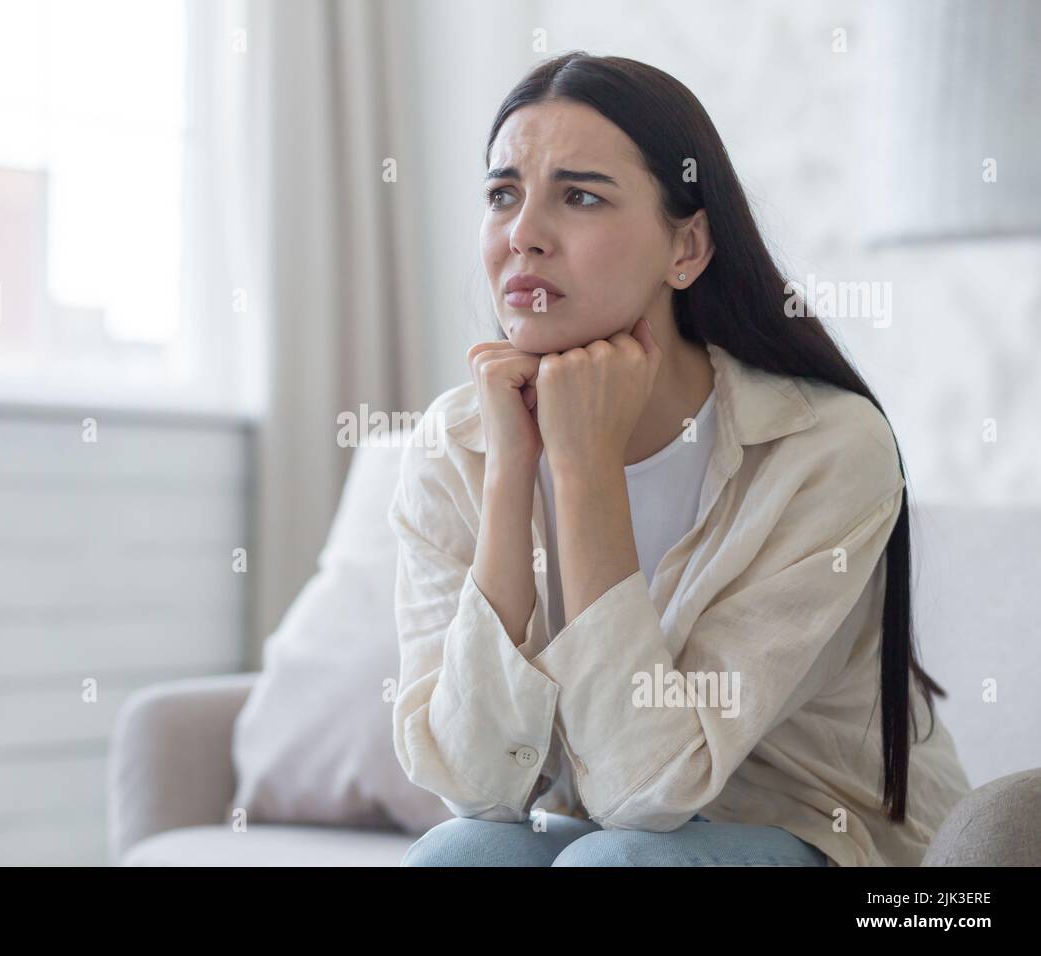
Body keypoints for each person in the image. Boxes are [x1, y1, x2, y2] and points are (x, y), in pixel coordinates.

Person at [389, 52, 971, 867]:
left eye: (580, 196)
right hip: (606, 832)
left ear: (687, 247)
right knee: (457, 853)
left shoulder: (825, 448)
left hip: (817, 837)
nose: (523, 234)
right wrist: (513, 467)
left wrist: (585, 470)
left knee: (619, 862)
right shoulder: (457, 445)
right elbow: (478, 789)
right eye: (502, 195)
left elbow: (646, 793)